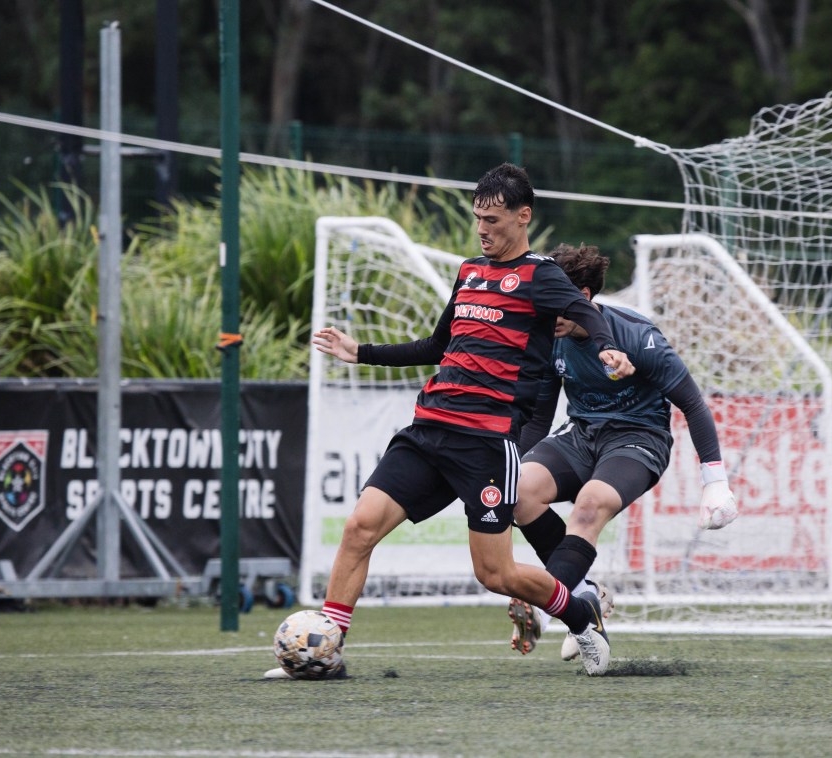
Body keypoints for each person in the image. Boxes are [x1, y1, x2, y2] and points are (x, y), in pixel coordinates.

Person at [280, 164, 634, 678]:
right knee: (359, 528)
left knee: (495, 574)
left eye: (492, 219)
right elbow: (436, 345)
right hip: (428, 429)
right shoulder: (469, 272)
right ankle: (325, 651)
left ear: (523, 215)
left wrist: (606, 352)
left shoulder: (541, 275)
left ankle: (579, 612)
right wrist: (362, 353)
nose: (482, 229)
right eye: (477, 219)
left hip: (485, 443)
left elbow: (590, 317)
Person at [506, 243, 738, 659]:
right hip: (581, 433)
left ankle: (543, 603)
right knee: (518, 493)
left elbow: (693, 402)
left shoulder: (637, 336)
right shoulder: (548, 338)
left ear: (583, 298)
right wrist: (506, 466)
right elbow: (539, 420)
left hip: (639, 437)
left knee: (590, 504)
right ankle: (582, 594)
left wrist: (715, 482)